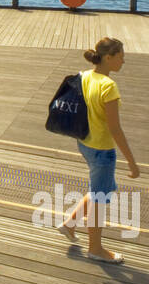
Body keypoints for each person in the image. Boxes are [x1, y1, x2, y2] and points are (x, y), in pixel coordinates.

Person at [56, 37, 141, 263]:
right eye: (120, 56)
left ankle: (69, 224)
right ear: (108, 57)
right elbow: (115, 128)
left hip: (85, 143)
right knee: (100, 197)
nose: (123, 61)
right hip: (102, 149)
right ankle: (95, 249)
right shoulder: (109, 87)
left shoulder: (84, 76)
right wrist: (132, 162)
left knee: (97, 189)